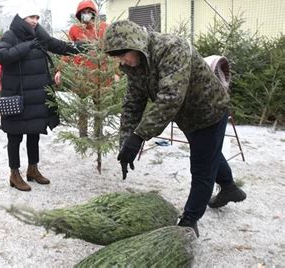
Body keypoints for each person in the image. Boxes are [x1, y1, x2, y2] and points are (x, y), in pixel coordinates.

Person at [103, 20, 247, 236]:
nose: (123, 62)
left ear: (137, 45)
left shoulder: (172, 48)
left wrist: (139, 136)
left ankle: (189, 221)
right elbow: (133, 103)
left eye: (124, 56)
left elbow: (170, 98)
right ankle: (229, 188)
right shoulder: (135, 65)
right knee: (207, 153)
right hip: (186, 116)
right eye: (119, 59)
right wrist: (126, 141)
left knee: (201, 166)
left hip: (209, 111)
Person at [0, 0, 80, 191]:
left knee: (34, 133)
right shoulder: (11, 35)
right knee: (15, 137)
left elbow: (57, 46)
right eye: (31, 17)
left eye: (37, 17)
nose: (34, 21)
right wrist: (26, 47)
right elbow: (1, 55)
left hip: (35, 96)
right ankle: (14, 174)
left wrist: (81, 48)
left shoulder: (39, 35)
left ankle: (32, 169)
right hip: (17, 95)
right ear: (22, 18)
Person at [54, 0, 109, 137]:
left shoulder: (103, 28)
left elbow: (111, 52)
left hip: (99, 76)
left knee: (99, 108)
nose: (86, 15)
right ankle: (83, 137)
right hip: (82, 76)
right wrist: (60, 69)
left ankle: (98, 136)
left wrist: (116, 72)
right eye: (83, 13)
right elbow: (68, 51)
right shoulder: (75, 30)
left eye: (88, 12)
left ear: (94, 13)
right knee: (82, 108)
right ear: (79, 15)